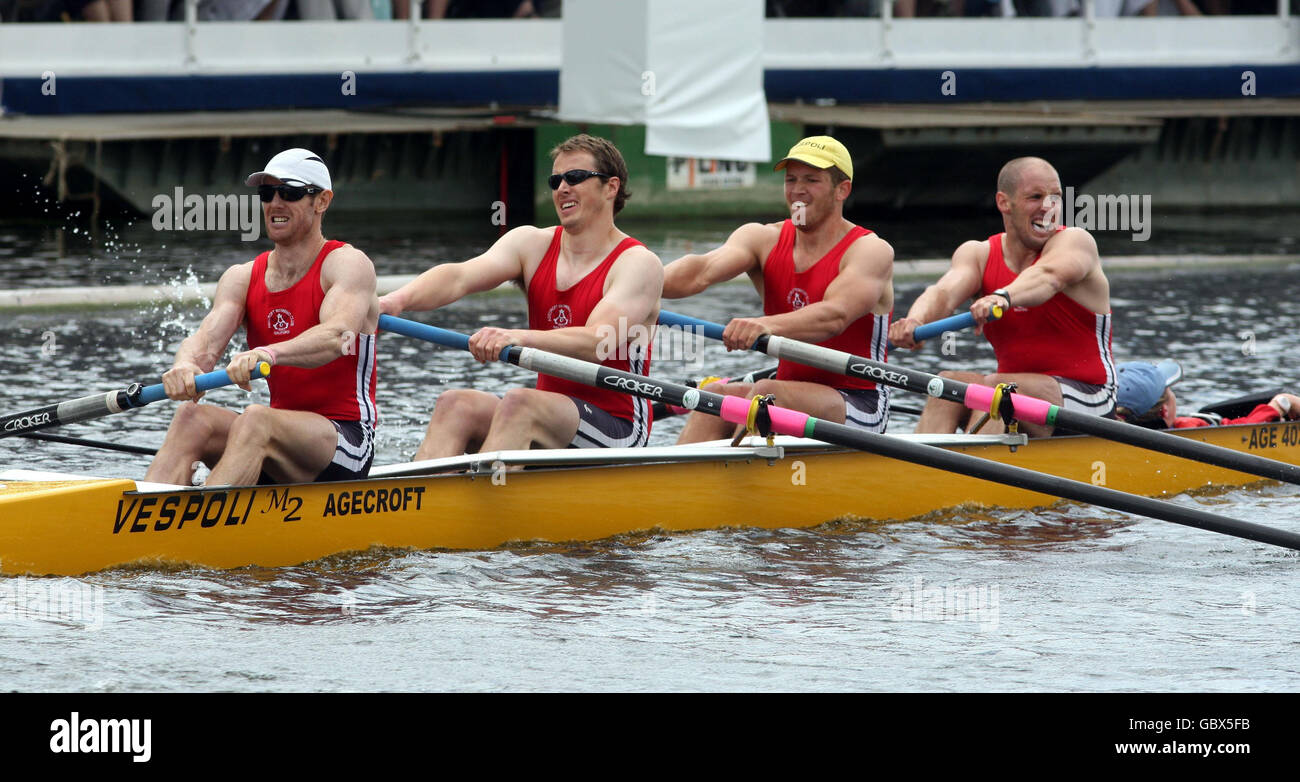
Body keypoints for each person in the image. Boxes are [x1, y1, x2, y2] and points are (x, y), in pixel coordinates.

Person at [378, 133, 662, 458]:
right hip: (550, 415)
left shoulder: (638, 263)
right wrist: (394, 301)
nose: (562, 188)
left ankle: (480, 499)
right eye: (556, 180)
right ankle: (424, 502)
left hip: (618, 425)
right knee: (455, 404)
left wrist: (514, 336)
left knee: (520, 402)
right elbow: (458, 277)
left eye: (576, 177)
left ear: (611, 187)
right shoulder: (531, 244)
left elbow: (598, 342)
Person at [145, 148, 380, 486]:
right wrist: (185, 365)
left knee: (256, 419)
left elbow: (336, 337)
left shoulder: (346, 264)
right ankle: (143, 519)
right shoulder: (242, 277)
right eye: (267, 193)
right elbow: (205, 343)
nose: (275, 203)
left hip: (346, 441)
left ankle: (197, 531)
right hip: (280, 437)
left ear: (322, 201)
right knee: (191, 416)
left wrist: (269, 353)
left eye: (291, 193)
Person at [661, 135, 895, 444]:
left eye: (812, 180)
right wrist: (632, 284)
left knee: (765, 394)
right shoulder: (762, 239)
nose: (798, 189)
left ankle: (724, 478)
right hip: (785, 393)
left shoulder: (870, 250)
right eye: (791, 179)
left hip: (859, 400)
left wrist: (763, 325)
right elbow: (699, 273)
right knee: (714, 396)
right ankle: (677, 481)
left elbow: (834, 316)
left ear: (843, 190)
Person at [889, 156, 1114, 437]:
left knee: (996, 388)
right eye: (1035, 197)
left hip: (1090, 397)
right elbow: (944, 293)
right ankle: (915, 471)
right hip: (1016, 393)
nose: (1049, 207)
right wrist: (914, 320)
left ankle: (970, 469)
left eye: (1055, 197)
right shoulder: (978, 254)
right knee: (946, 385)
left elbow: (1048, 277)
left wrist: (1003, 296)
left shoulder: (1075, 242)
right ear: (1004, 203)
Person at [1115, 360, 1300, 428]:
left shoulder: (1103, 433)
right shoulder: (1191, 427)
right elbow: (1244, 427)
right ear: (1164, 410)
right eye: (1170, 390)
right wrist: (1282, 403)